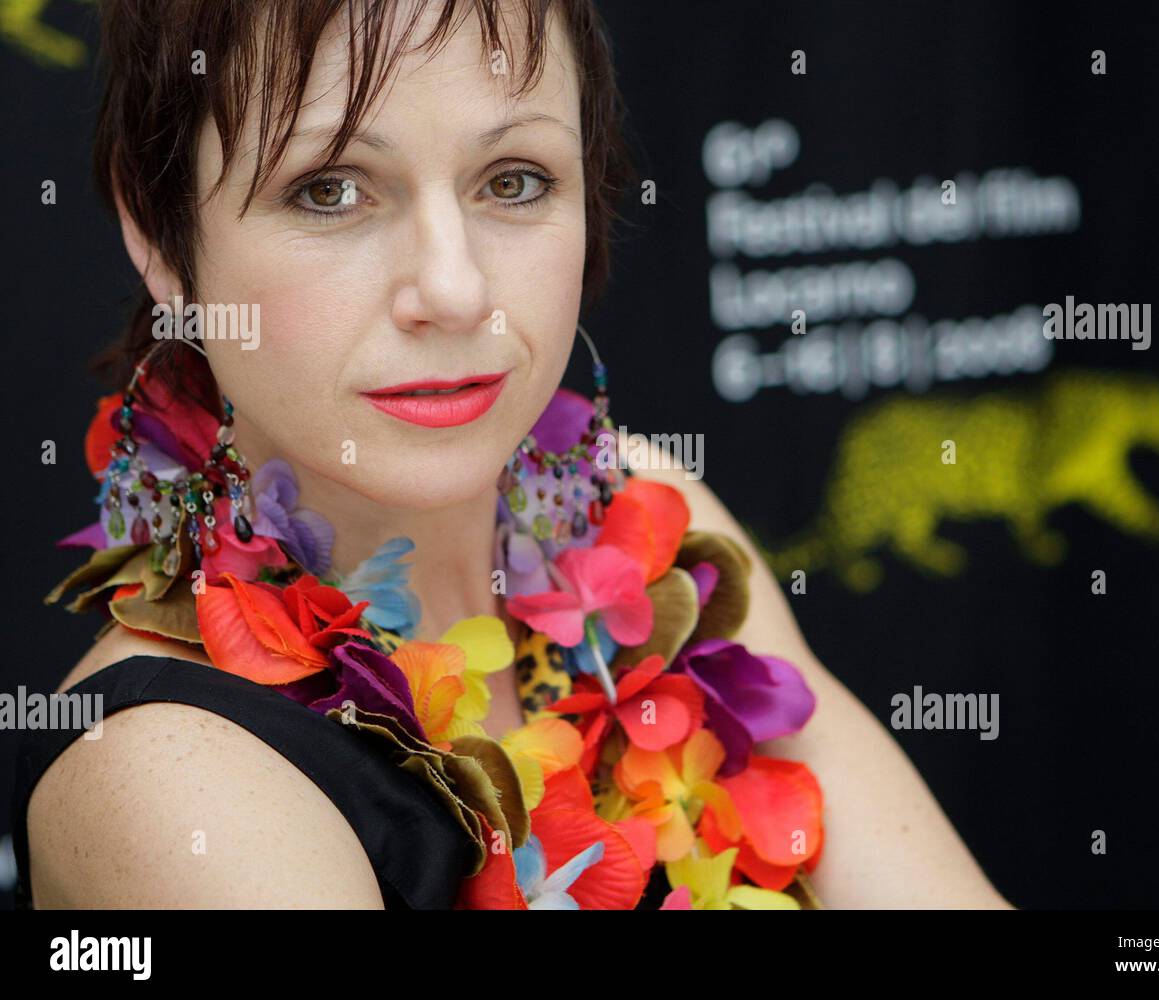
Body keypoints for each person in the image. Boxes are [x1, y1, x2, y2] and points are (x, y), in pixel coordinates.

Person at [14, 0, 1012, 910]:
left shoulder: (650, 523)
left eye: (513, 179)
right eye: (329, 190)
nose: (452, 289)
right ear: (160, 234)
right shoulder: (161, 775)